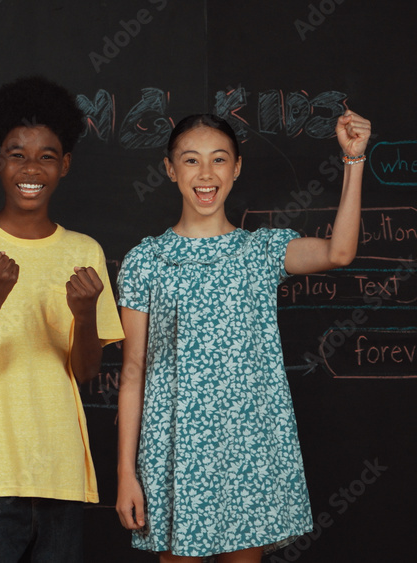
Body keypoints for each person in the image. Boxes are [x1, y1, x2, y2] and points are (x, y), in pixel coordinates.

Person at [115, 111, 371, 562]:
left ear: (236, 167)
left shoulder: (262, 251)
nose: (206, 174)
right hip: (176, 450)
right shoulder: (147, 261)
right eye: (191, 161)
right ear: (170, 169)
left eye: (219, 160)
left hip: (248, 447)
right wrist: (125, 473)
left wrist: (353, 160)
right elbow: (133, 371)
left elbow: (340, 251)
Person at [0, 76, 125, 562]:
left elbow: (87, 371)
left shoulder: (84, 252)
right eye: (17, 154)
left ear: (65, 165)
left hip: (62, 473)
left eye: (47, 156)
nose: (31, 168)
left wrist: (83, 315)